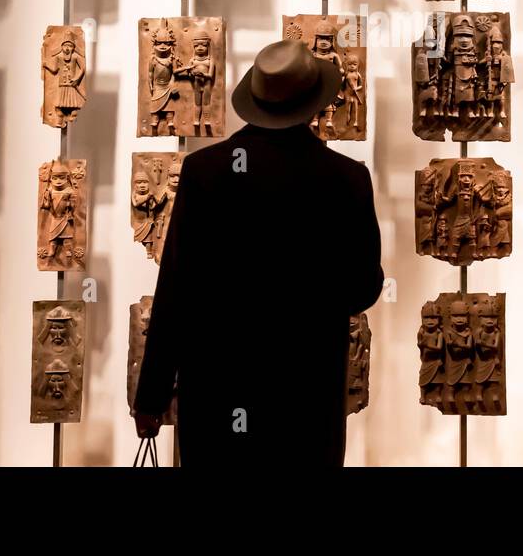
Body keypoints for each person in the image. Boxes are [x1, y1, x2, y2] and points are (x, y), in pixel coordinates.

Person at [133, 39, 383, 466]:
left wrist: (152, 394)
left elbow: (177, 287)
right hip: (306, 396)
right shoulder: (346, 179)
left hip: (220, 391)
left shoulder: (205, 172)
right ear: (314, 104)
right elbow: (363, 289)